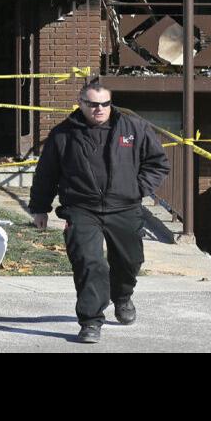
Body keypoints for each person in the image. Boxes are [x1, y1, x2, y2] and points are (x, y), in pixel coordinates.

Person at [29, 78, 170, 344]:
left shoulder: (133, 128)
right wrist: (39, 208)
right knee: (89, 263)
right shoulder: (63, 135)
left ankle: (122, 296)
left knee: (130, 262)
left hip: (125, 207)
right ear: (81, 104)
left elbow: (157, 163)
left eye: (105, 103)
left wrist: (138, 188)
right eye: (93, 104)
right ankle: (91, 321)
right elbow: (46, 174)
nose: (100, 109)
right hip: (82, 209)